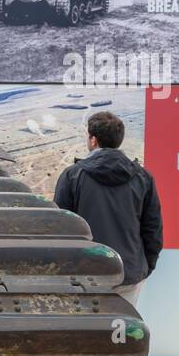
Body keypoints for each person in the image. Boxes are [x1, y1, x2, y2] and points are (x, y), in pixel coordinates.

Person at [53, 111, 161, 308]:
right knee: (123, 334)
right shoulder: (143, 178)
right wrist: (143, 268)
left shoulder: (72, 176)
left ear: (93, 140)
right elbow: (153, 231)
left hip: (83, 277)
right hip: (128, 275)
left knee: (84, 335)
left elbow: (59, 229)